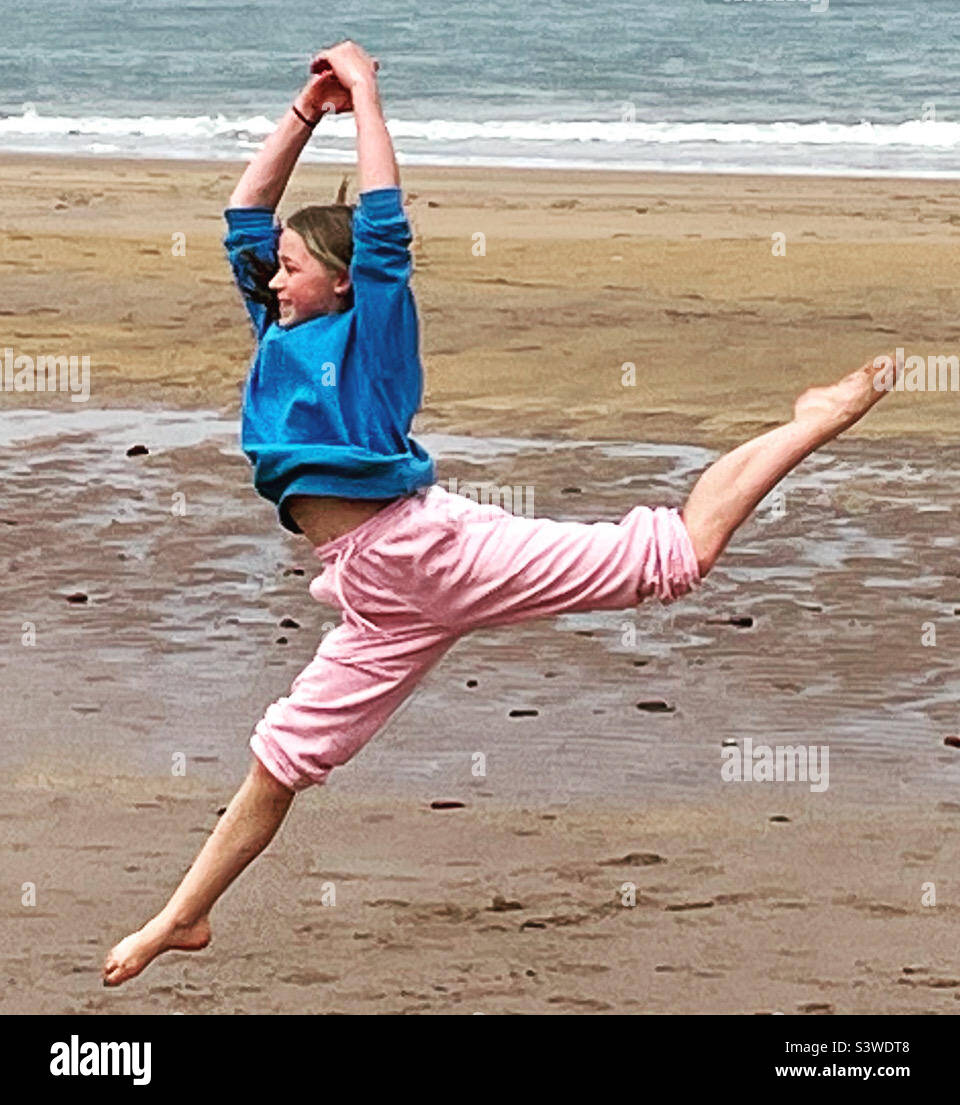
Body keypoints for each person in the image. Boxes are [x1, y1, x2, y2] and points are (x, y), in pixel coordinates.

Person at [102, 40, 896, 986]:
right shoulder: (277, 330)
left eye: (290, 268)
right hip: (373, 595)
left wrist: (366, 92)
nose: (272, 278)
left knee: (678, 559)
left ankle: (814, 420)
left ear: (344, 282)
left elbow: (386, 223)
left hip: (424, 550)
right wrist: (306, 112)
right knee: (281, 759)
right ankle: (180, 919)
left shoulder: (373, 334)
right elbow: (244, 212)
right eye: (271, 270)